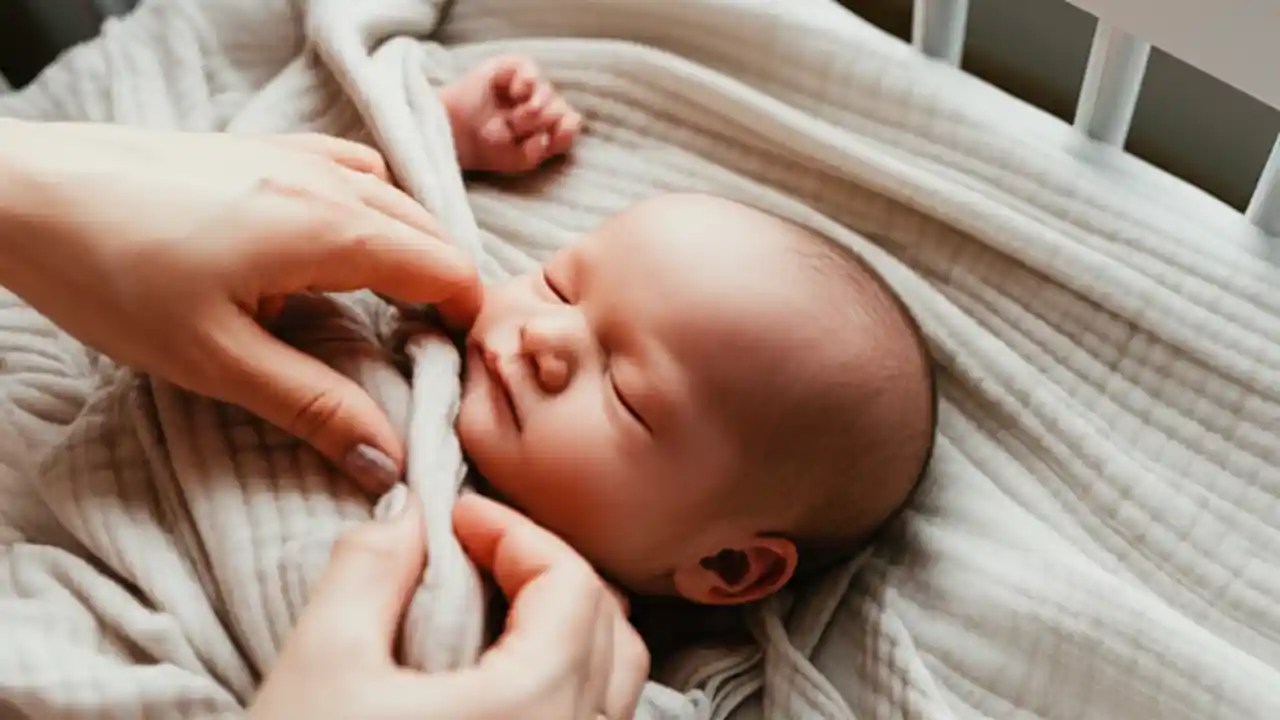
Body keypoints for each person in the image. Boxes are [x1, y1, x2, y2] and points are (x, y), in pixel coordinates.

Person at [0, 60, 640, 716]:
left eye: (629, 396)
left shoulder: (597, 667)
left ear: (707, 569)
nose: (545, 337)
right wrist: (426, 139)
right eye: (558, 286)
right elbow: (261, 198)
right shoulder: (401, 333)